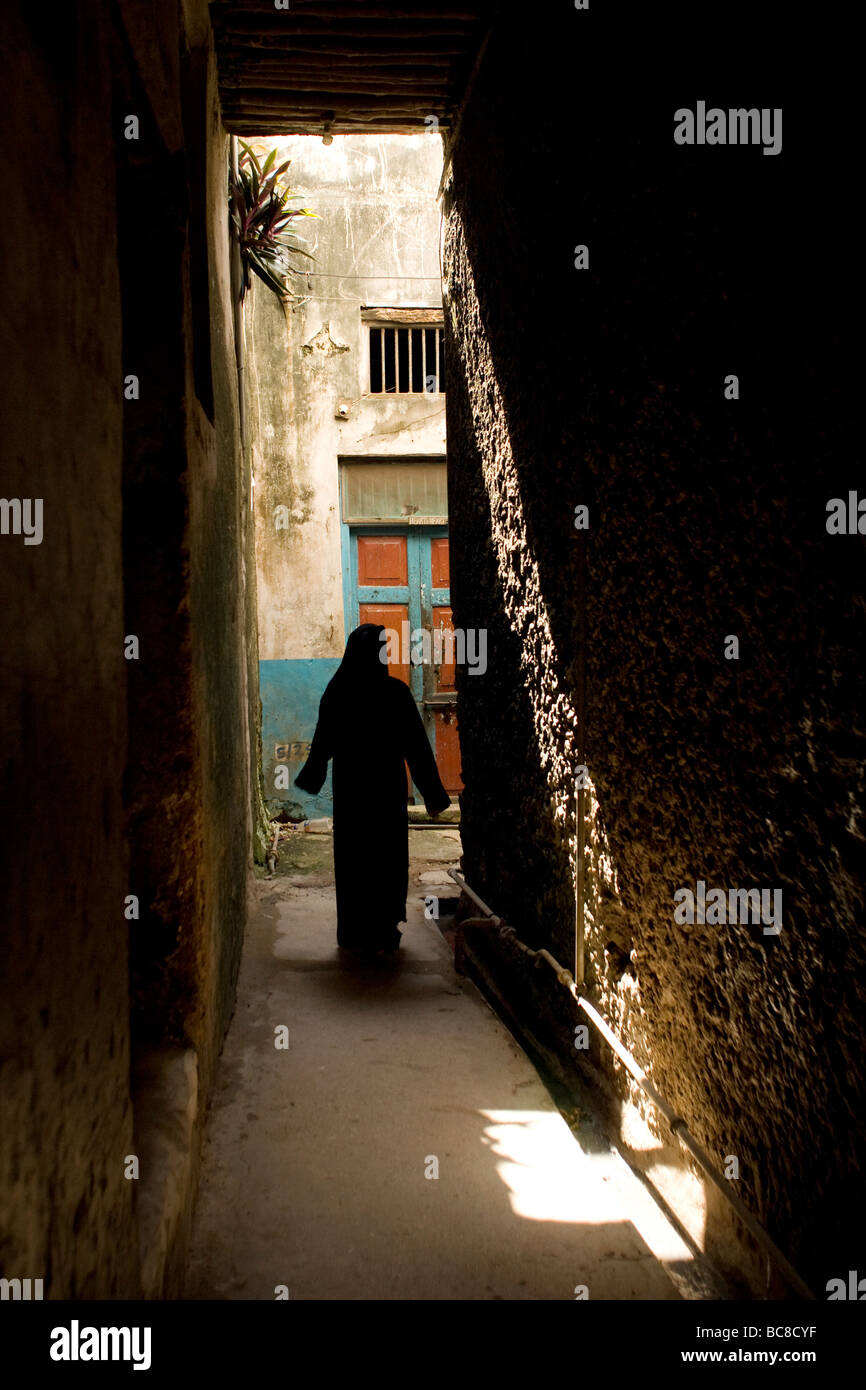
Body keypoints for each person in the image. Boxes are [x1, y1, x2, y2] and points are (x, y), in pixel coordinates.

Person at [294, 623, 451, 955]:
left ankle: (353, 929)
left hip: (352, 790)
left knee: (354, 857)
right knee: (386, 855)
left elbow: (323, 742)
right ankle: (384, 927)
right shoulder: (395, 693)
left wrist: (311, 777)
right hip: (385, 789)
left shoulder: (338, 692)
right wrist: (434, 797)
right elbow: (417, 748)